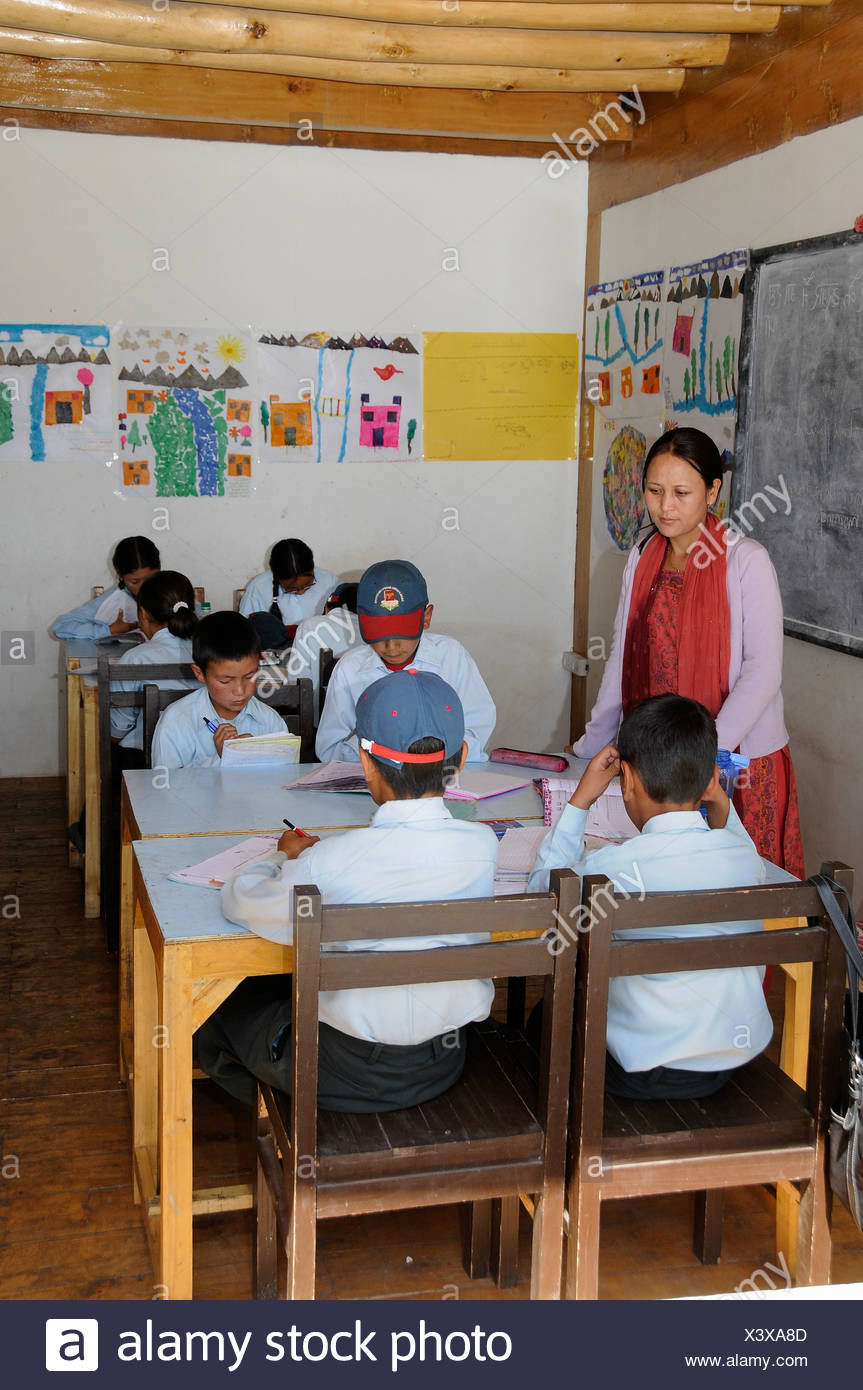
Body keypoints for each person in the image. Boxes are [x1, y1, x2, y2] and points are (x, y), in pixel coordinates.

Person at [195, 671, 498, 1112]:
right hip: (444, 1060)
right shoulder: (483, 847)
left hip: (343, 1067)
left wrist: (281, 859)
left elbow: (241, 903)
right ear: (462, 757)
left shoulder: (332, 861)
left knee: (217, 1017)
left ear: (366, 763)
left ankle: (293, 1120)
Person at [574, 426, 803, 877]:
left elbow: (762, 672)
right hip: (661, 761)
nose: (665, 507)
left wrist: (702, 758)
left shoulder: (746, 560)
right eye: (655, 491)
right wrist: (592, 742)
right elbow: (622, 655)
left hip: (732, 762)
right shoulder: (642, 557)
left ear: (713, 491)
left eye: (682, 492)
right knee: (665, 890)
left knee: (744, 892)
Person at [530, 693, 773, 1100]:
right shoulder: (746, 862)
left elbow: (543, 903)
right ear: (711, 779)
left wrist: (581, 800)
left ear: (627, 781)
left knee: (543, 1015)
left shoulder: (612, 870)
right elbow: (738, 843)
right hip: (730, 1062)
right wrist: (719, 801)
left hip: (640, 1071)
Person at [315, 560, 496, 763]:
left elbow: (478, 730)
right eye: (379, 634)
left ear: (426, 617)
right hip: (373, 785)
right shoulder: (349, 669)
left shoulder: (452, 657)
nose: (391, 647)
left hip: (445, 780)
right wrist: (382, 762)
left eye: (402, 634)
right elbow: (330, 748)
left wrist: (429, 763)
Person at [151, 611, 285, 770]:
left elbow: (281, 782)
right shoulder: (177, 722)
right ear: (199, 673)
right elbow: (166, 789)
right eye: (225, 681)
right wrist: (223, 759)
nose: (240, 691)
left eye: (250, 676)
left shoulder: (269, 721)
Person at [109, 571, 199, 753]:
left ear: (143, 613)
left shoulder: (135, 659)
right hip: (206, 755)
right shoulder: (211, 650)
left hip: (146, 760)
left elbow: (117, 731)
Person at [51, 535, 161, 640]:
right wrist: (109, 630)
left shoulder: (173, 591)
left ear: (159, 568)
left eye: (149, 579)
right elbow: (61, 627)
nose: (143, 587)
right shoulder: (111, 601)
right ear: (119, 574)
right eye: (134, 581)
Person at [239, 538, 339, 649]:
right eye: (291, 589)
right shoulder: (258, 589)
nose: (301, 592)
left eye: (308, 585)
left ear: (313, 570)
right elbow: (245, 635)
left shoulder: (331, 583)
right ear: (277, 577)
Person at [286, 581, 362, 709]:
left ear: (327, 607)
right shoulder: (373, 631)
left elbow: (296, 687)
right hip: (366, 718)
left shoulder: (309, 626)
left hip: (317, 723)